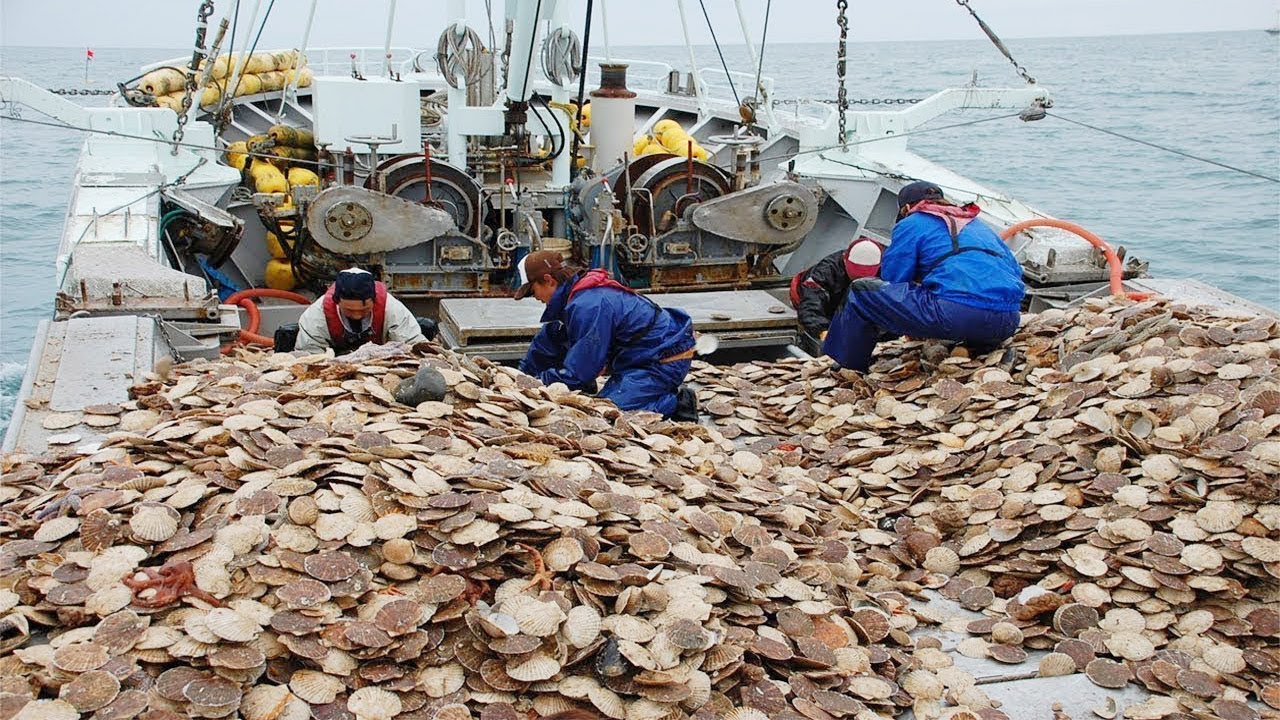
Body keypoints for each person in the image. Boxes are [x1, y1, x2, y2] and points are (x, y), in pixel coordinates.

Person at [822, 180, 1025, 372]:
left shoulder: (912, 222)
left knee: (862, 290)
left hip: (957, 316)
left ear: (907, 209)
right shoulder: (979, 226)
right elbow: (1016, 271)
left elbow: (894, 278)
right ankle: (974, 347)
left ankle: (849, 364)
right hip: (1007, 320)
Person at [515, 250, 697, 418]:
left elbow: (582, 369)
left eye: (532, 291)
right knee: (555, 334)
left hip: (662, 359)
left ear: (549, 280)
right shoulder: (571, 297)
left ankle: (678, 403)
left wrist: (542, 382)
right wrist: (520, 378)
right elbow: (545, 345)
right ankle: (592, 385)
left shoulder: (589, 305)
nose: (535, 298)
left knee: (609, 413)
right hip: (636, 354)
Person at [293, 268, 434, 354]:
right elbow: (310, 356)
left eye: (364, 309)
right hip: (333, 366)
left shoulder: (391, 309)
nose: (357, 315)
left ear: (374, 300)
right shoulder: (316, 315)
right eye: (349, 310)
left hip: (386, 365)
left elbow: (413, 345)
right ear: (337, 301)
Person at [790, 235, 886, 342]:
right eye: (855, 276)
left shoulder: (886, 271)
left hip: (852, 304)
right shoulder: (825, 272)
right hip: (822, 304)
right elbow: (810, 308)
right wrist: (823, 331)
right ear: (845, 261)